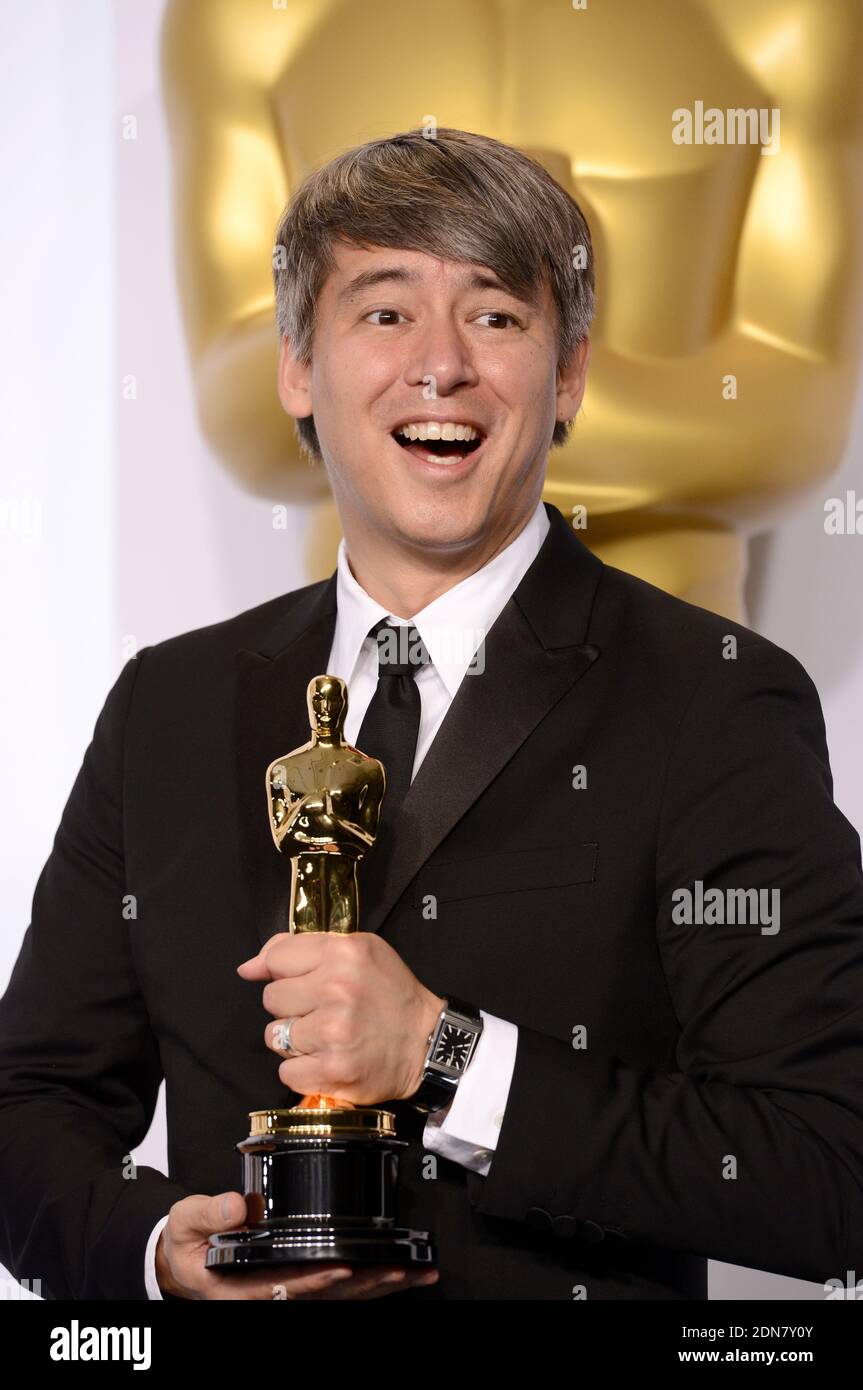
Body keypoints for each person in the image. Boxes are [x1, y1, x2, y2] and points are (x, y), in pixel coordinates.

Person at [1, 127, 862, 1301]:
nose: (440, 366)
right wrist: (155, 1253)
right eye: (384, 311)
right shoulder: (168, 703)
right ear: (298, 368)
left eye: (496, 315)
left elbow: (823, 1173)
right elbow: (28, 1110)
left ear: (565, 377)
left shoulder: (709, 696)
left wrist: (445, 1055)